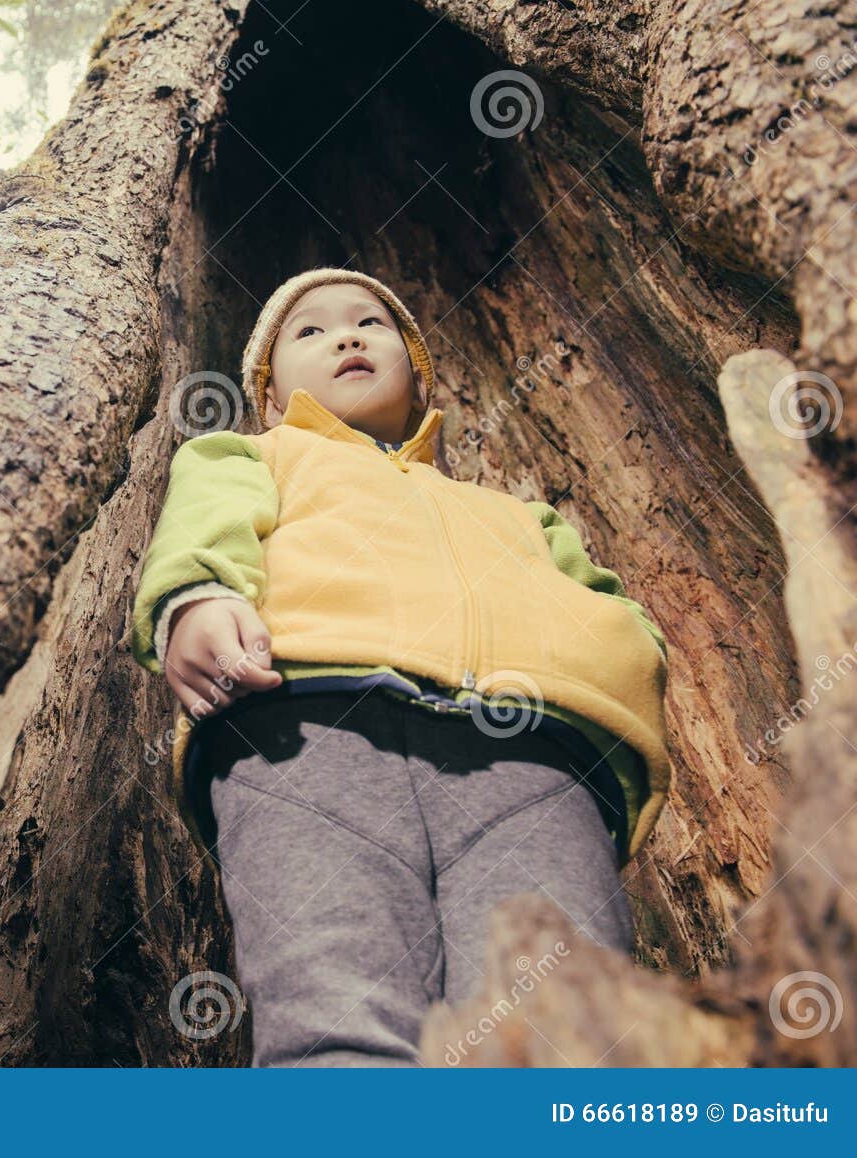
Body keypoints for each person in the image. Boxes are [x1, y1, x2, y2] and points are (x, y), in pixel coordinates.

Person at [129, 266, 671, 1066]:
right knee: (335, 1015)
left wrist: (616, 655)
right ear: (269, 394)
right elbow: (204, 530)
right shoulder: (250, 453)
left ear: (419, 380)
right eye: (307, 333)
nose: (345, 336)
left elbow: (614, 610)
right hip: (305, 736)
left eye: (370, 323)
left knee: (561, 1033)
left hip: (532, 758)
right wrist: (195, 599)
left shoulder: (520, 515)